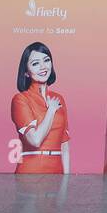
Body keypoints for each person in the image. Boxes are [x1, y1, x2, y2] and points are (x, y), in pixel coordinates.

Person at [11, 42, 70, 175]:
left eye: (46, 60)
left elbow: (64, 145)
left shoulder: (58, 98)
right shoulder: (20, 100)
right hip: (31, 171)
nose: (43, 67)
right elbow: (35, 140)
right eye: (35, 63)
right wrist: (51, 110)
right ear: (26, 72)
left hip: (57, 170)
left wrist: (66, 180)